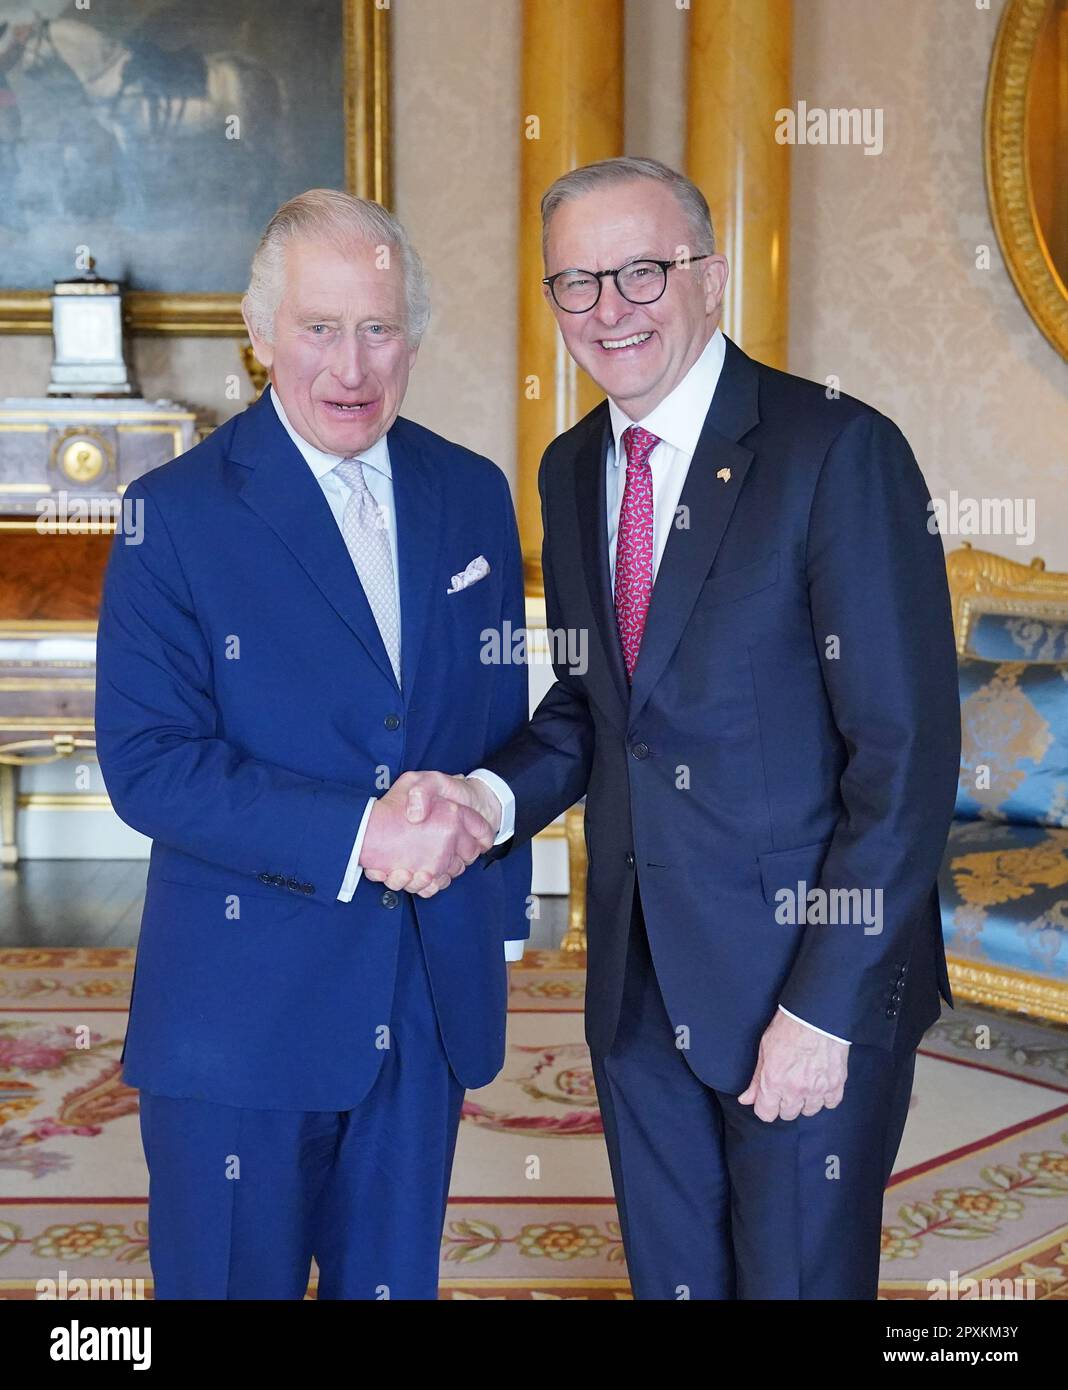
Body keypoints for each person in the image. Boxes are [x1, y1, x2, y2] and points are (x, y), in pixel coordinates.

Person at [398, 156, 961, 1299]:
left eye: (641, 271)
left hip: (804, 979)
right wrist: (488, 798)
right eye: (577, 283)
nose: (610, 309)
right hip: (640, 981)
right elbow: (598, 705)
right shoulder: (570, 469)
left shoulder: (837, 451)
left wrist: (824, 1007)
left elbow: (906, 761)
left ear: (710, 277)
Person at [95, 188, 531, 1300]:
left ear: (415, 339)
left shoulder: (473, 494)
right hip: (242, 1013)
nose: (353, 365)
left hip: (423, 997)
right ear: (259, 335)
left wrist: (482, 838)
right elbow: (149, 761)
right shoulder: (172, 515)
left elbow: (497, 728)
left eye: (379, 328)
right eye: (320, 328)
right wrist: (362, 831)